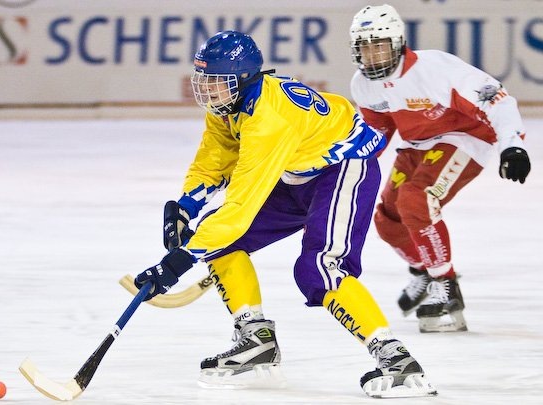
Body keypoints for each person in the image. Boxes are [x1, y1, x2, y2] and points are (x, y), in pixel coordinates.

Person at [133, 30, 437, 398]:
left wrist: (179, 261)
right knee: (218, 242)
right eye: (205, 79)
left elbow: (240, 207)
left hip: (342, 168)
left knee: (320, 267)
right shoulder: (229, 104)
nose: (208, 89)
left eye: (217, 81)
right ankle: (256, 341)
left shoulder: (268, 120)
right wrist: (185, 207)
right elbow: (214, 159)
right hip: (297, 173)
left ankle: (397, 360)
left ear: (244, 78)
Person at [349, 5, 531, 333]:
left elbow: (496, 99)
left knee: (416, 199)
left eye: (379, 46)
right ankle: (423, 269)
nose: (373, 56)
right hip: (416, 145)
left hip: (466, 137)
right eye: (365, 48)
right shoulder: (363, 85)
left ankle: (445, 284)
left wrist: (511, 145)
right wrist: (352, 163)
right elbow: (378, 129)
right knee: (387, 220)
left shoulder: (435, 69)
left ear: (398, 43)